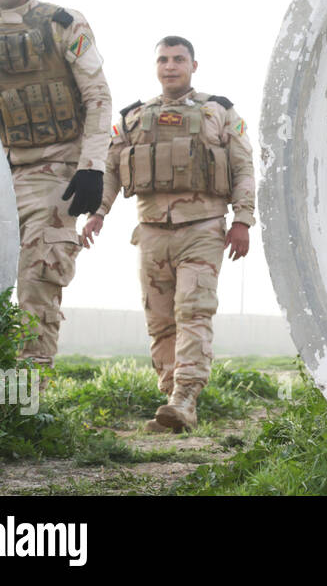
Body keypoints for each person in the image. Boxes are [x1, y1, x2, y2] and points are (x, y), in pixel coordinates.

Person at [81, 36, 255, 432]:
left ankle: (186, 397)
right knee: (159, 320)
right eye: (163, 59)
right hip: (151, 232)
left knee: (193, 312)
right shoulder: (133, 117)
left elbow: (244, 167)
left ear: (194, 66)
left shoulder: (220, 112)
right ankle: (171, 398)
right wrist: (98, 213)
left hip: (203, 228)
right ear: (155, 66)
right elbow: (109, 169)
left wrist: (243, 220)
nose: (170, 66)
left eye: (179, 59)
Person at [0, 0, 112, 368]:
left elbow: (98, 97)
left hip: (57, 170)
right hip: (3, 175)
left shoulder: (63, 24)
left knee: (38, 277)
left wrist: (91, 168)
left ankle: (29, 397)